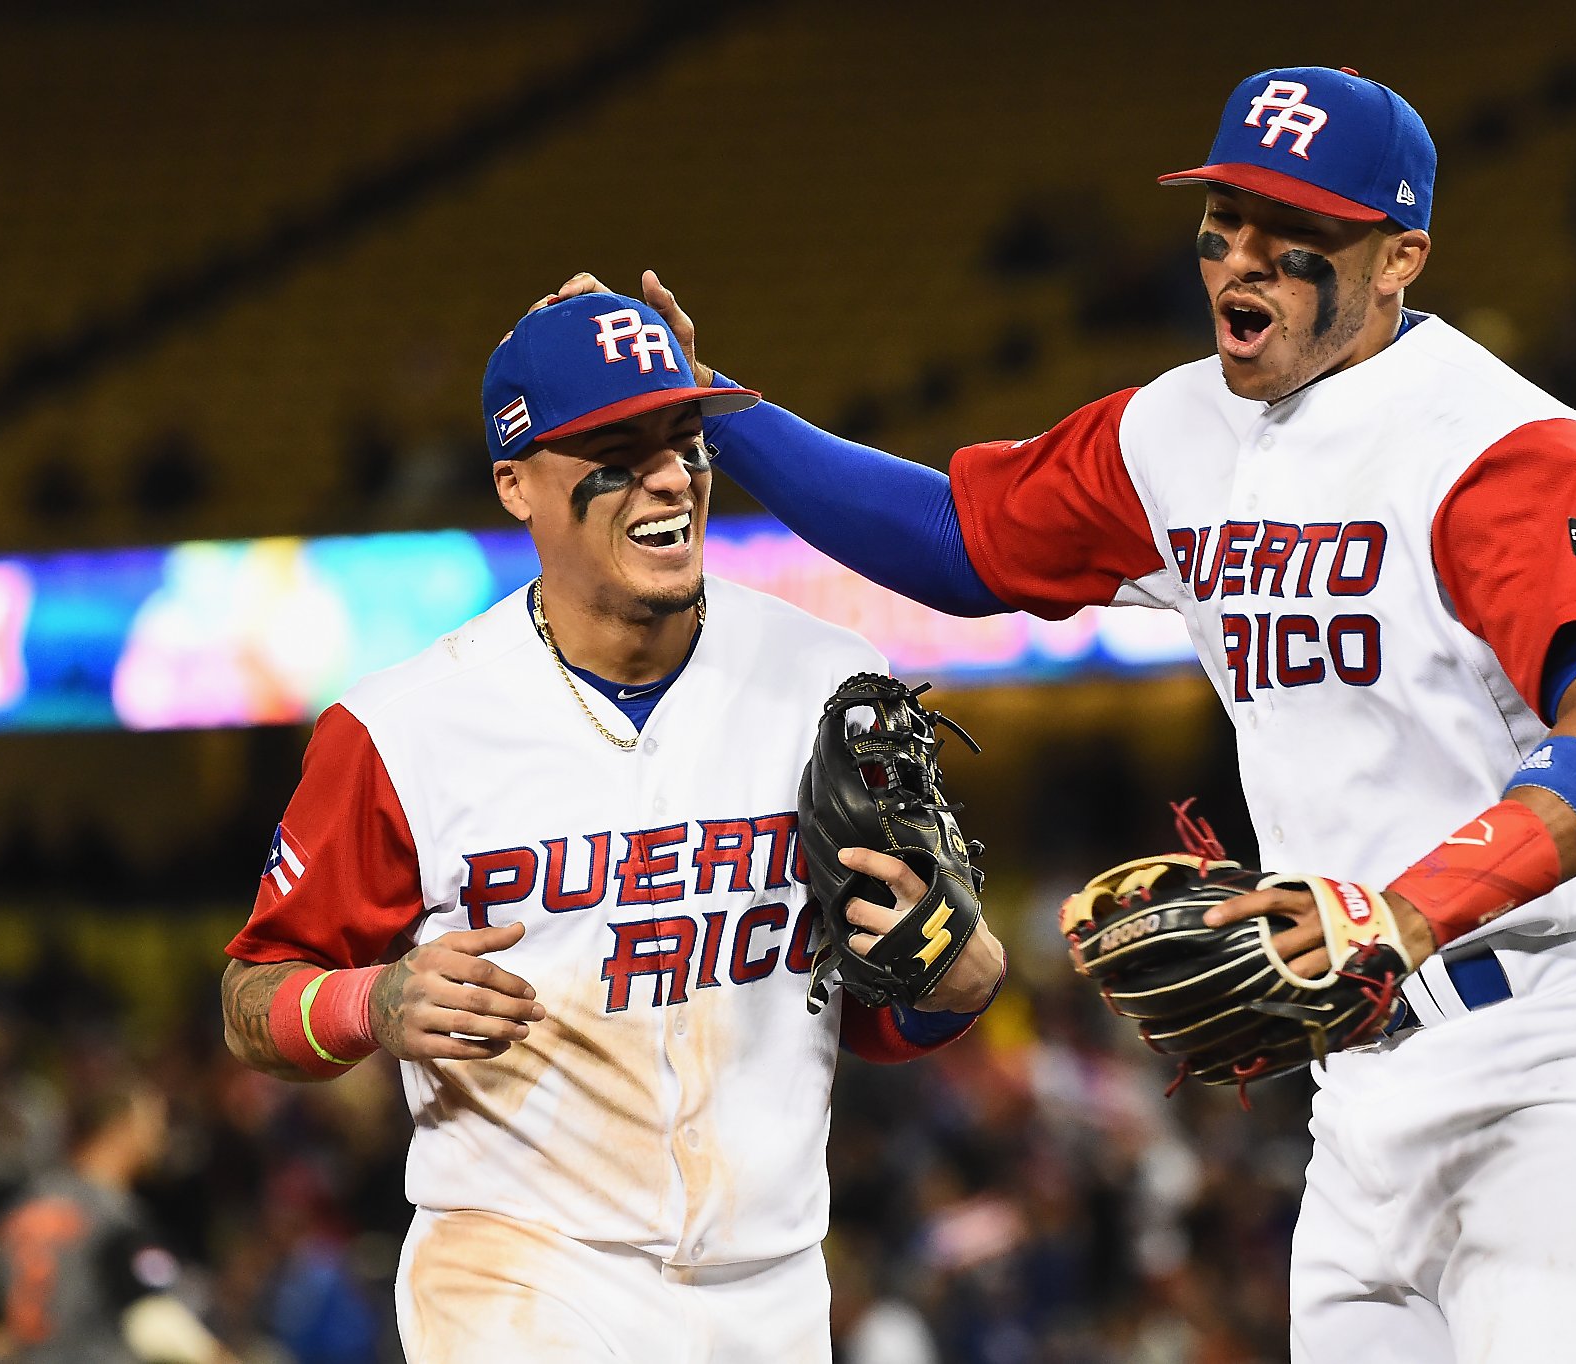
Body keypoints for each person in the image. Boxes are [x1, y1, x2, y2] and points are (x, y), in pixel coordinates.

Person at [541, 62, 1576, 1363]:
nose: (1242, 260)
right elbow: (954, 539)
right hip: (1359, 1085)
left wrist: (1410, 908)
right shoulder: (1175, 431)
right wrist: (713, 407)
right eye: (1224, 221)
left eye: (1294, 233)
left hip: (1554, 1067)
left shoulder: (1500, 448)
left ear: (1400, 257)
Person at [218, 291, 1006, 1364]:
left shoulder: (827, 681)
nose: (670, 477)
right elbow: (252, 1001)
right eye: (618, 453)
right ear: (516, 483)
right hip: (517, 1273)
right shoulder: (401, 727)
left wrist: (953, 984)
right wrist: (374, 1000)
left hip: (770, 1284)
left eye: (683, 440)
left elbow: (873, 1010)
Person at [0, 1071, 233, 1364]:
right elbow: (156, 1319)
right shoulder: (114, 1217)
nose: (159, 1135)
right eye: (150, 1122)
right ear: (120, 1127)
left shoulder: (21, 1205)